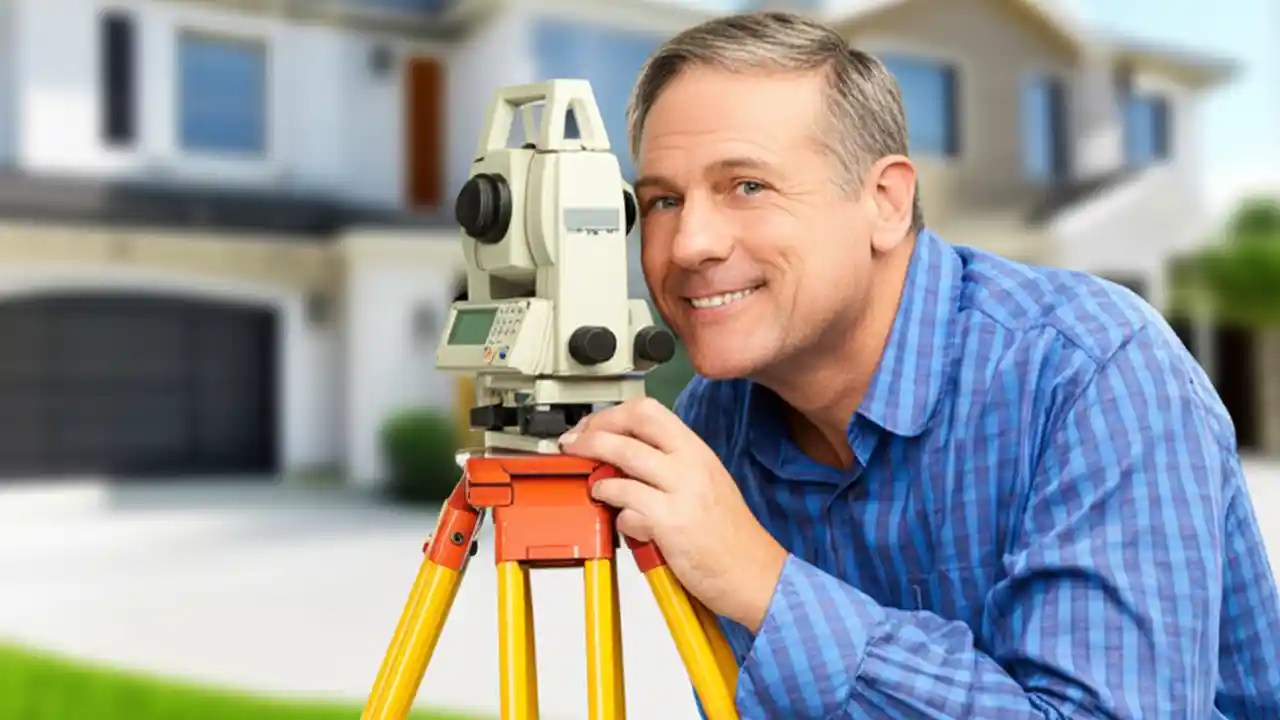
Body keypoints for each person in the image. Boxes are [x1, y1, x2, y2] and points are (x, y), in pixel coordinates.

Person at [557, 10, 1280, 719]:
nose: (688, 245)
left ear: (885, 201)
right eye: (661, 200)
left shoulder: (1091, 373)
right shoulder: (717, 422)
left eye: (747, 186)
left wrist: (766, 585)